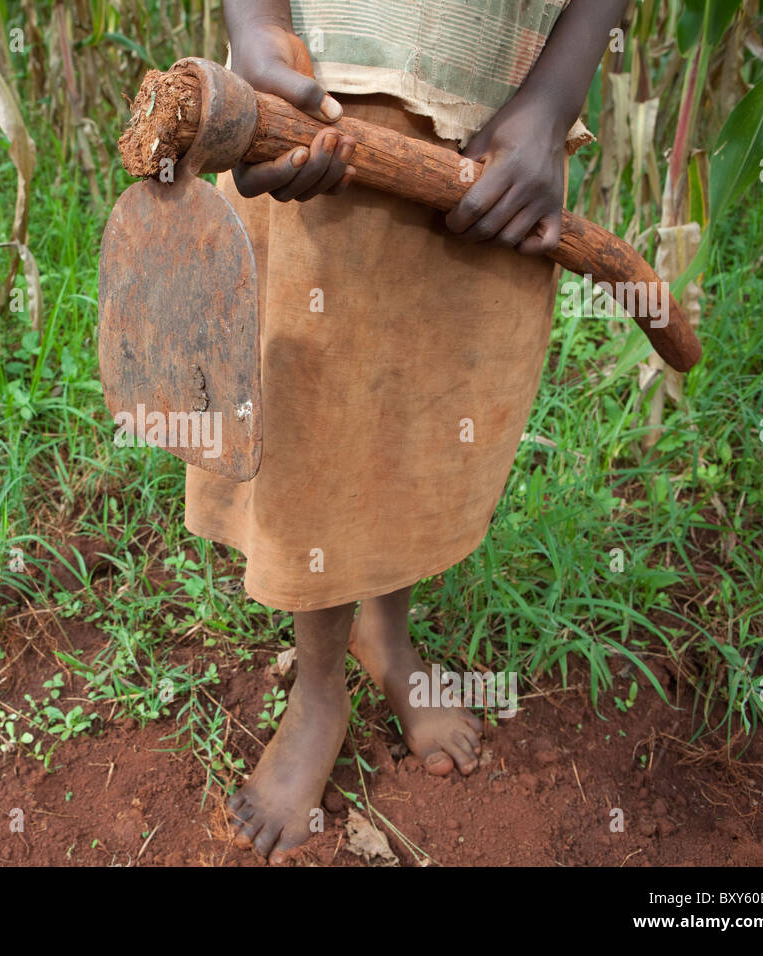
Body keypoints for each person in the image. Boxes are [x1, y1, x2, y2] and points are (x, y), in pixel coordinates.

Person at [186, 0, 625, 863]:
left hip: (492, 123)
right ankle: (318, 695)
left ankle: (385, 634)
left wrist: (553, 101)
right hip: (332, 91)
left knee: (420, 406)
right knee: (321, 420)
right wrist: (258, 28)